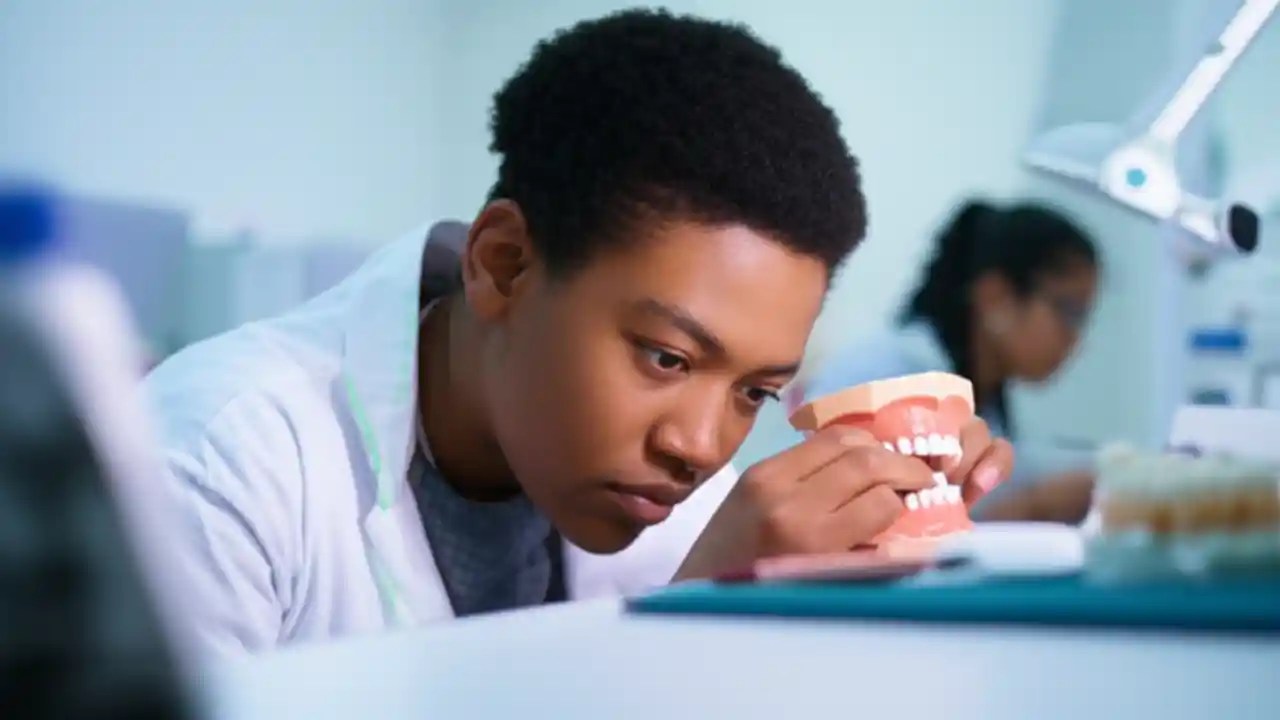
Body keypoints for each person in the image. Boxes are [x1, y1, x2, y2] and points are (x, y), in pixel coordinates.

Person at [143, 9, 1012, 657]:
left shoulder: (681, 501)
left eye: (756, 392)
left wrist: (878, 577)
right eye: (667, 357)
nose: (702, 448)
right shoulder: (216, 466)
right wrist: (689, 630)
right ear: (507, 263)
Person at [805, 199, 1101, 524]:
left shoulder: (981, 399)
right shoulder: (892, 375)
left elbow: (1022, 468)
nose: (1076, 338)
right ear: (996, 297)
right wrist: (1036, 506)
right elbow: (879, 532)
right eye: (1069, 311)